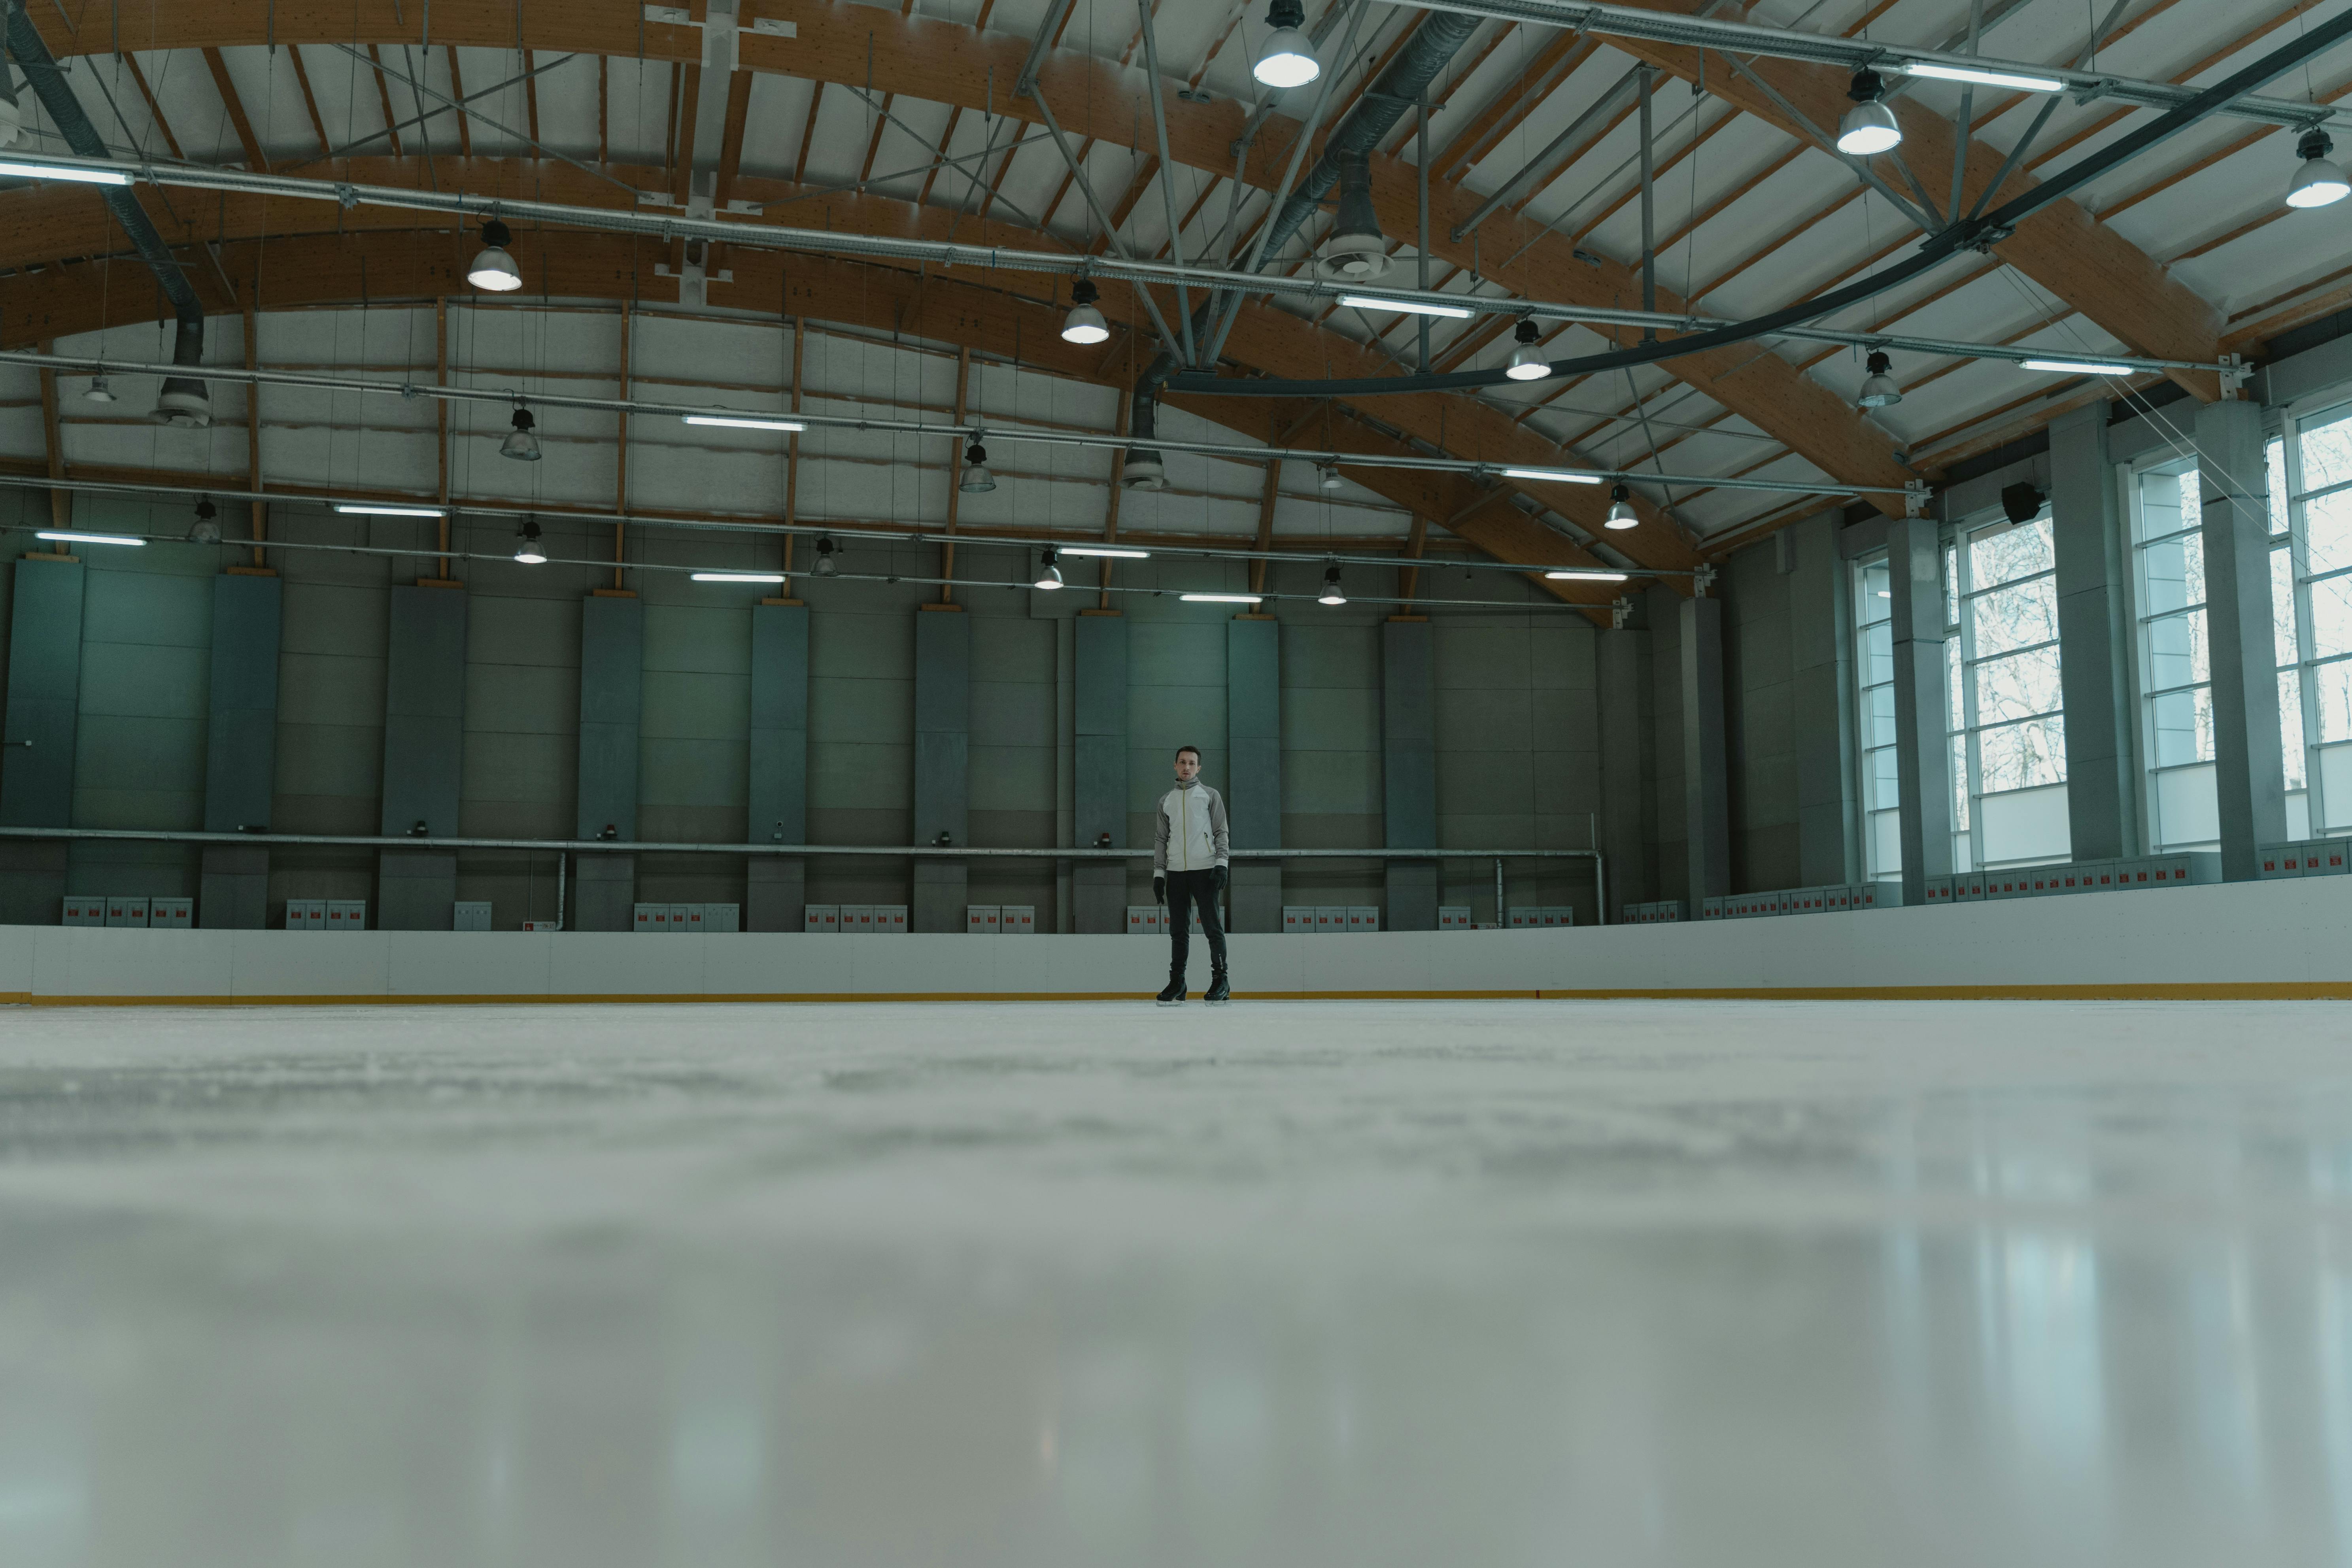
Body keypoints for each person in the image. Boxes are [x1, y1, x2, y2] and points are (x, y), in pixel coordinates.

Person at [1152, 745, 1229, 1005]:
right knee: (1178, 931)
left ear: (1199, 768)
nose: (1187, 767)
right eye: (1182, 762)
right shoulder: (1166, 801)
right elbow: (1161, 839)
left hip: (1205, 871)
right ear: (1175, 765)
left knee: (1212, 928)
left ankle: (1221, 980)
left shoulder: (1209, 796)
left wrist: (1221, 863)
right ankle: (1178, 982)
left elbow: (1221, 831)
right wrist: (1158, 874)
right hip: (1175, 873)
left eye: (1192, 763)